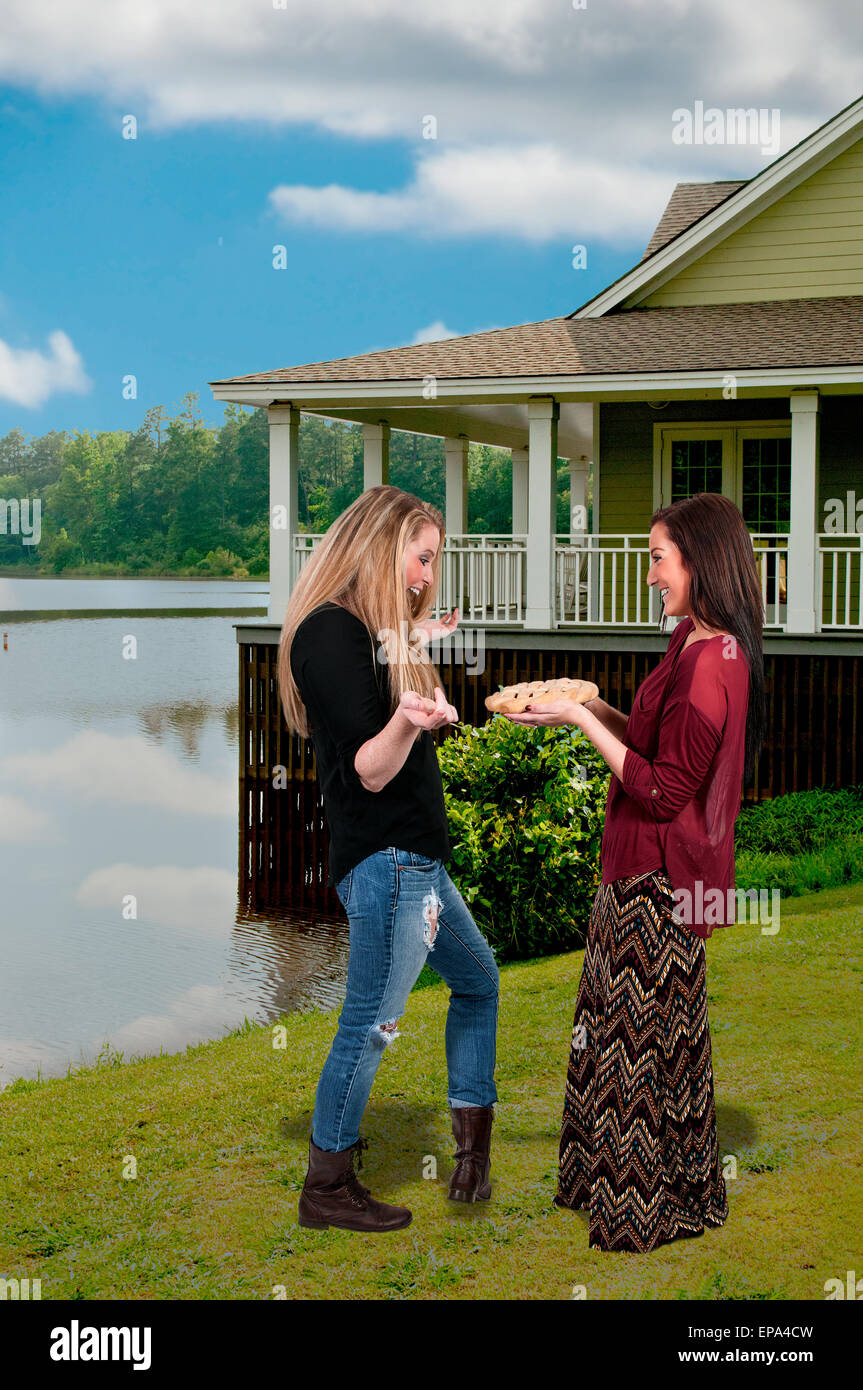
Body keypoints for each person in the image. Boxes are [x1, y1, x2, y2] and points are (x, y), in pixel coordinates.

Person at [503, 493, 765, 1252]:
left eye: (657, 557)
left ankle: (639, 1207)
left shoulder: (714, 663)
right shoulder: (688, 641)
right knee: (637, 1041)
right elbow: (651, 746)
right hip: (641, 872)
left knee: (637, 1051)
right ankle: (665, 1195)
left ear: (700, 560)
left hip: (661, 881)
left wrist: (582, 725)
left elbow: (659, 791)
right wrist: (582, 706)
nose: (650, 573)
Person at [277, 485, 500, 1233]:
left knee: (476, 983)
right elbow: (370, 767)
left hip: (418, 863)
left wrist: (419, 640)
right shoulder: (325, 635)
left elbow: (378, 666)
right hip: (388, 863)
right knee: (370, 1023)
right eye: (422, 556)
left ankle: (472, 1157)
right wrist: (410, 719)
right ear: (380, 544)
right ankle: (327, 1184)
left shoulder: (365, 631)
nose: (427, 574)